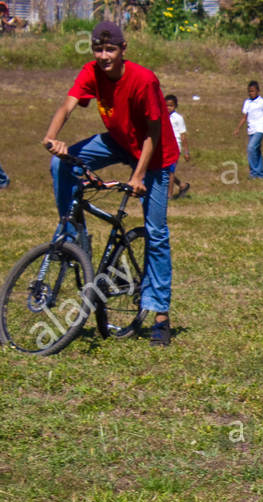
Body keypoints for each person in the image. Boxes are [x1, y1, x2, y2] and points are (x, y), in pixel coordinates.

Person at [42, 20, 179, 345]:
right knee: (60, 164)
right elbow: (68, 106)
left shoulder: (143, 80)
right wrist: (52, 138)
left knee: (156, 234)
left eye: (110, 49)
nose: (104, 56)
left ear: (122, 50)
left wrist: (137, 176)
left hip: (155, 153)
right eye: (98, 49)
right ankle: (73, 238)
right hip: (118, 141)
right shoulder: (92, 72)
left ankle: (159, 315)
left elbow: (154, 134)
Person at [234, 80, 263, 179]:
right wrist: (238, 128)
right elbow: (244, 117)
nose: (251, 93)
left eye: (253, 91)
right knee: (256, 150)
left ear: (258, 91)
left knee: (251, 148)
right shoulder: (247, 102)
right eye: (249, 91)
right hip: (251, 129)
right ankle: (261, 173)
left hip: (260, 128)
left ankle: (254, 172)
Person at [165, 94, 191, 198]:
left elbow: (183, 135)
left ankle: (169, 195)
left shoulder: (178, 118)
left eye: (171, 106)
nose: (168, 108)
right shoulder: (162, 117)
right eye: (166, 105)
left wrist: (186, 151)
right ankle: (182, 185)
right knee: (165, 171)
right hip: (164, 147)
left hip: (175, 147)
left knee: (171, 172)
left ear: (175, 106)